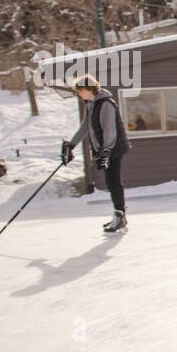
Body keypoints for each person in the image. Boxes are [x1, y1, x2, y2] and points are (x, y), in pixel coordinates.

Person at [61, 74, 131, 234]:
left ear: (88, 89)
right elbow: (85, 126)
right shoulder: (90, 104)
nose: (79, 94)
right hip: (105, 149)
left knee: (113, 181)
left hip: (113, 148)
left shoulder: (106, 104)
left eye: (80, 91)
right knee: (110, 181)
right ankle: (119, 216)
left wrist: (106, 150)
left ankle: (120, 218)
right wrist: (71, 144)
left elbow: (109, 130)